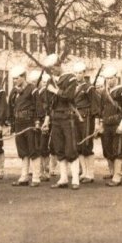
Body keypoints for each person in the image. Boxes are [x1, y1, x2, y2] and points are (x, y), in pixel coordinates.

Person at [42, 54, 82, 189]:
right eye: (50, 69)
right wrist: (46, 120)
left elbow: (68, 96)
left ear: (59, 65)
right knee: (59, 148)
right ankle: (63, 178)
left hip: (67, 117)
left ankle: (75, 179)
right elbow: (49, 103)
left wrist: (55, 90)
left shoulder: (71, 78)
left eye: (53, 68)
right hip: (55, 118)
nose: (52, 71)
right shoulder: (50, 80)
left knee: (70, 149)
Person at [96, 66, 122, 186]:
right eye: (107, 78)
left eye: (111, 78)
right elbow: (101, 110)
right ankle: (112, 172)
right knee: (107, 149)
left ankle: (117, 176)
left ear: (116, 77)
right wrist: (100, 124)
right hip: (106, 124)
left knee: (117, 150)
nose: (109, 81)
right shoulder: (104, 92)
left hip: (117, 124)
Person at [8, 66, 40, 187]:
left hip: (29, 122)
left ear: (23, 77)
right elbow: (11, 107)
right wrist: (12, 125)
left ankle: (36, 177)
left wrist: (37, 122)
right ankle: (24, 176)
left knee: (33, 149)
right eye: (13, 78)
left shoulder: (32, 89)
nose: (14, 80)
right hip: (18, 123)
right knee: (22, 151)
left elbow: (38, 106)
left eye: (16, 78)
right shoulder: (14, 91)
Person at [73, 62, 100, 184]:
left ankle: (90, 174)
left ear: (84, 73)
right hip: (76, 118)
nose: (78, 75)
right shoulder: (73, 87)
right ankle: (84, 172)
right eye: (76, 73)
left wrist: (97, 122)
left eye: (80, 73)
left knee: (87, 145)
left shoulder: (89, 88)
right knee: (78, 145)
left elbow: (95, 106)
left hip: (87, 118)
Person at [34, 71, 56, 180]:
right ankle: (40, 170)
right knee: (37, 145)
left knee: (44, 146)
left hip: (46, 121)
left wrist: (47, 121)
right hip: (37, 121)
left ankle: (46, 171)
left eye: (45, 82)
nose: (43, 83)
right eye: (42, 81)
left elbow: (49, 108)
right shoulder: (37, 92)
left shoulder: (49, 93)